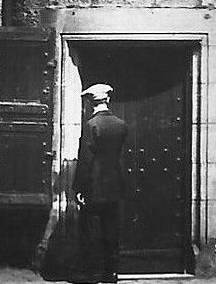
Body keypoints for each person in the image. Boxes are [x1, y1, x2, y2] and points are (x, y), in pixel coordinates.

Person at [75, 82, 128, 283]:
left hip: (94, 187)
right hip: (114, 185)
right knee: (111, 230)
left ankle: (90, 274)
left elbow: (86, 159)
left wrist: (80, 188)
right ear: (108, 100)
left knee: (90, 230)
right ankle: (111, 273)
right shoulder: (120, 125)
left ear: (91, 103)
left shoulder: (91, 125)